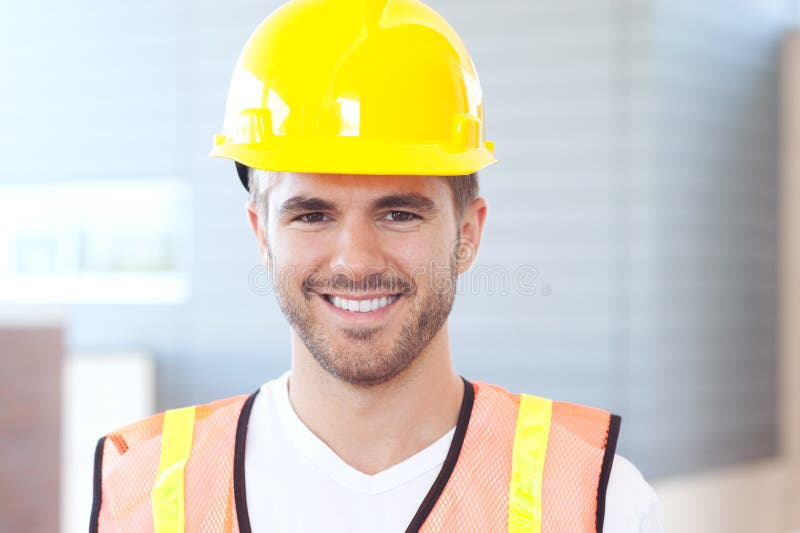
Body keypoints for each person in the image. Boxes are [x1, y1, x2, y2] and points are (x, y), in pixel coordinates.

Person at [90, 0, 663, 531]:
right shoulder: (146, 496)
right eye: (312, 215)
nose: (356, 261)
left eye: (398, 214)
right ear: (262, 235)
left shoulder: (595, 500)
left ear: (467, 234)